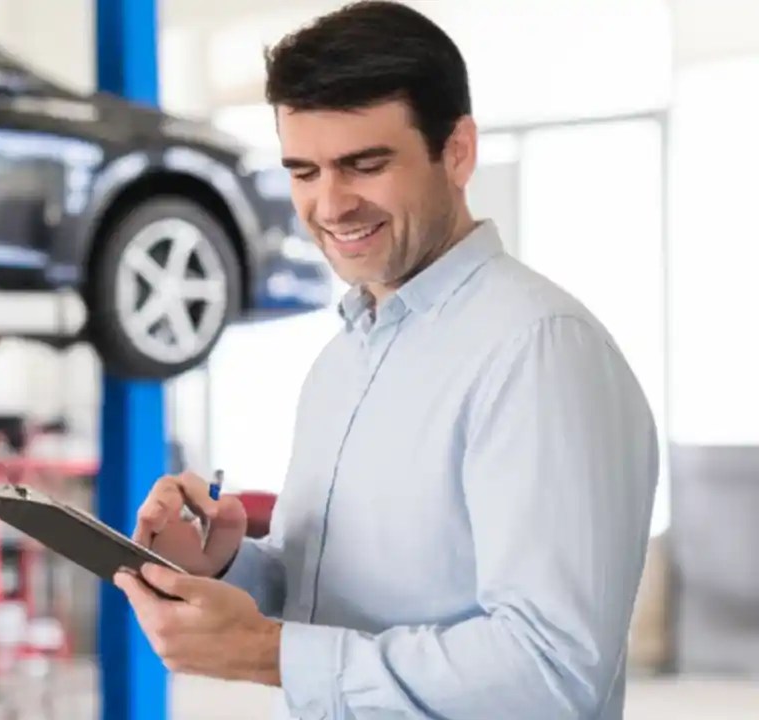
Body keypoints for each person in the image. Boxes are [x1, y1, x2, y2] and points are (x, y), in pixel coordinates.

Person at [112, 2, 660, 718]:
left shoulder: (537, 350)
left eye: (364, 165)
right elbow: (330, 599)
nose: (330, 204)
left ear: (457, 151)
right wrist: (223, 562)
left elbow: (550, 671)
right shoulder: (345, 358)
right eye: (303, 171)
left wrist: (265, 652)